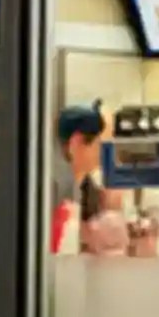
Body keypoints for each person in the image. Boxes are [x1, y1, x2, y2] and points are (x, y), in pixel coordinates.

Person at [49, 101, 108, 255]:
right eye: (98, 144)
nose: (101, 152)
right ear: (76, 142)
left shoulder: (87, 188)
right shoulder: (55, 186)